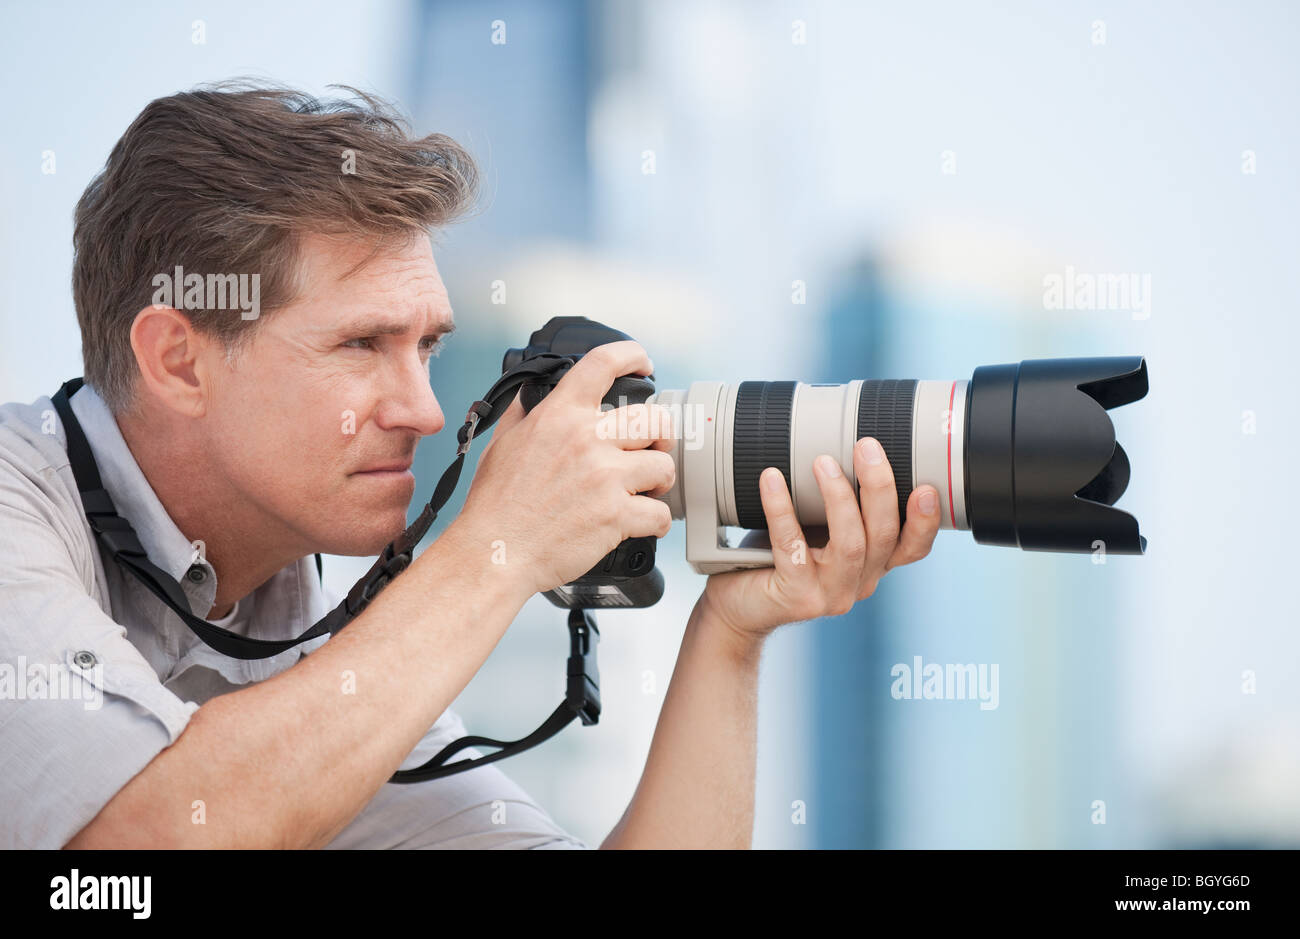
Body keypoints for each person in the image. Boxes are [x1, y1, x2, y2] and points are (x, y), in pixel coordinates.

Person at [0, 81, 941, 849]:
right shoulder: (16, 504)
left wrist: (731, 634)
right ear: (179, 360)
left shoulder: (320, 645)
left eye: (428, 347)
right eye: (364, 344)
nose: (425, 410)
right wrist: (497, 541)